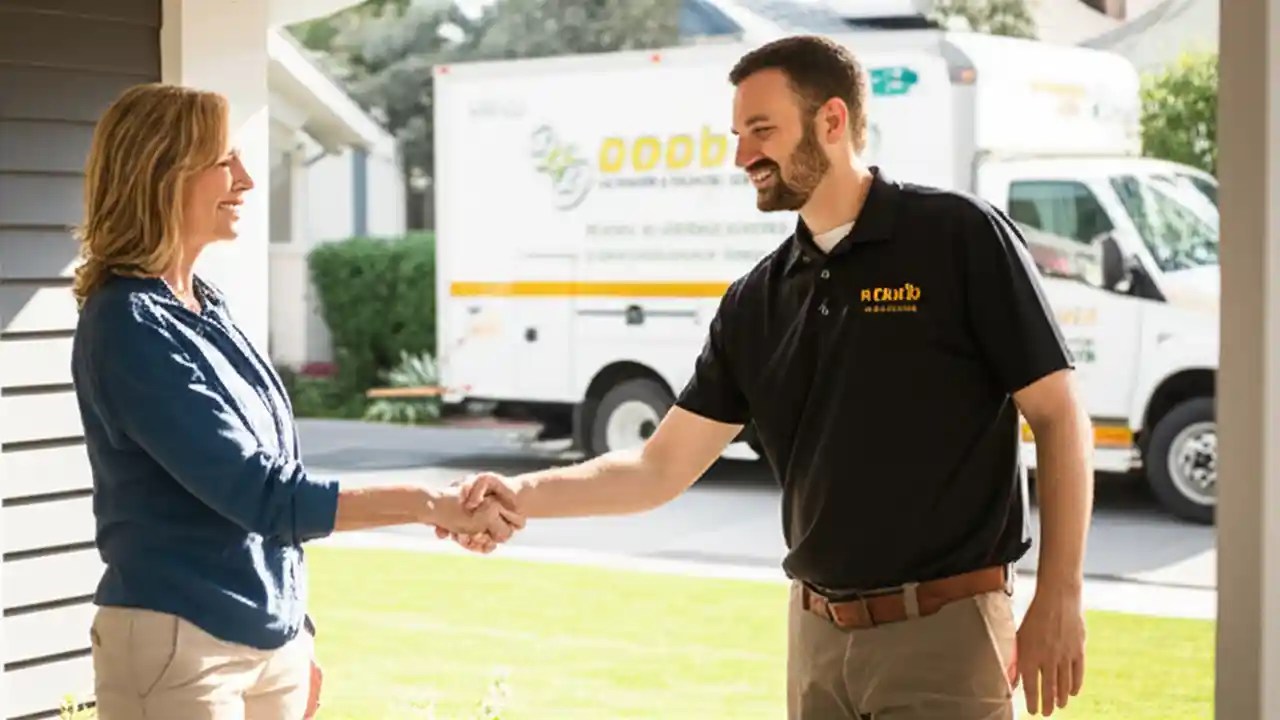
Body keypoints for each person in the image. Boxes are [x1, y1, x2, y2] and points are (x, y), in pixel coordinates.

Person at [443, 35, 1094, 720]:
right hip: (815, 643)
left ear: (832, 120)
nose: (741, 156)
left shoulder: (958, 237)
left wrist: (1061, 594)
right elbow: (656, 468)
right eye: (737, 135)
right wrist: (517, 494)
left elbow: (1058, 415)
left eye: (761, 130)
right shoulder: (756, 300)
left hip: (944, 636)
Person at [70, 82, 524, 720]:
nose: (246, 179)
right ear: (161, 175)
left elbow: (275, 484)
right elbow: (261, 494)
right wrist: (427, 503)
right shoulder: (128, 326)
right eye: (224, 160)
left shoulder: (203, 307)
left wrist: (293, 633)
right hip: (183, 647)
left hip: (269, 641)